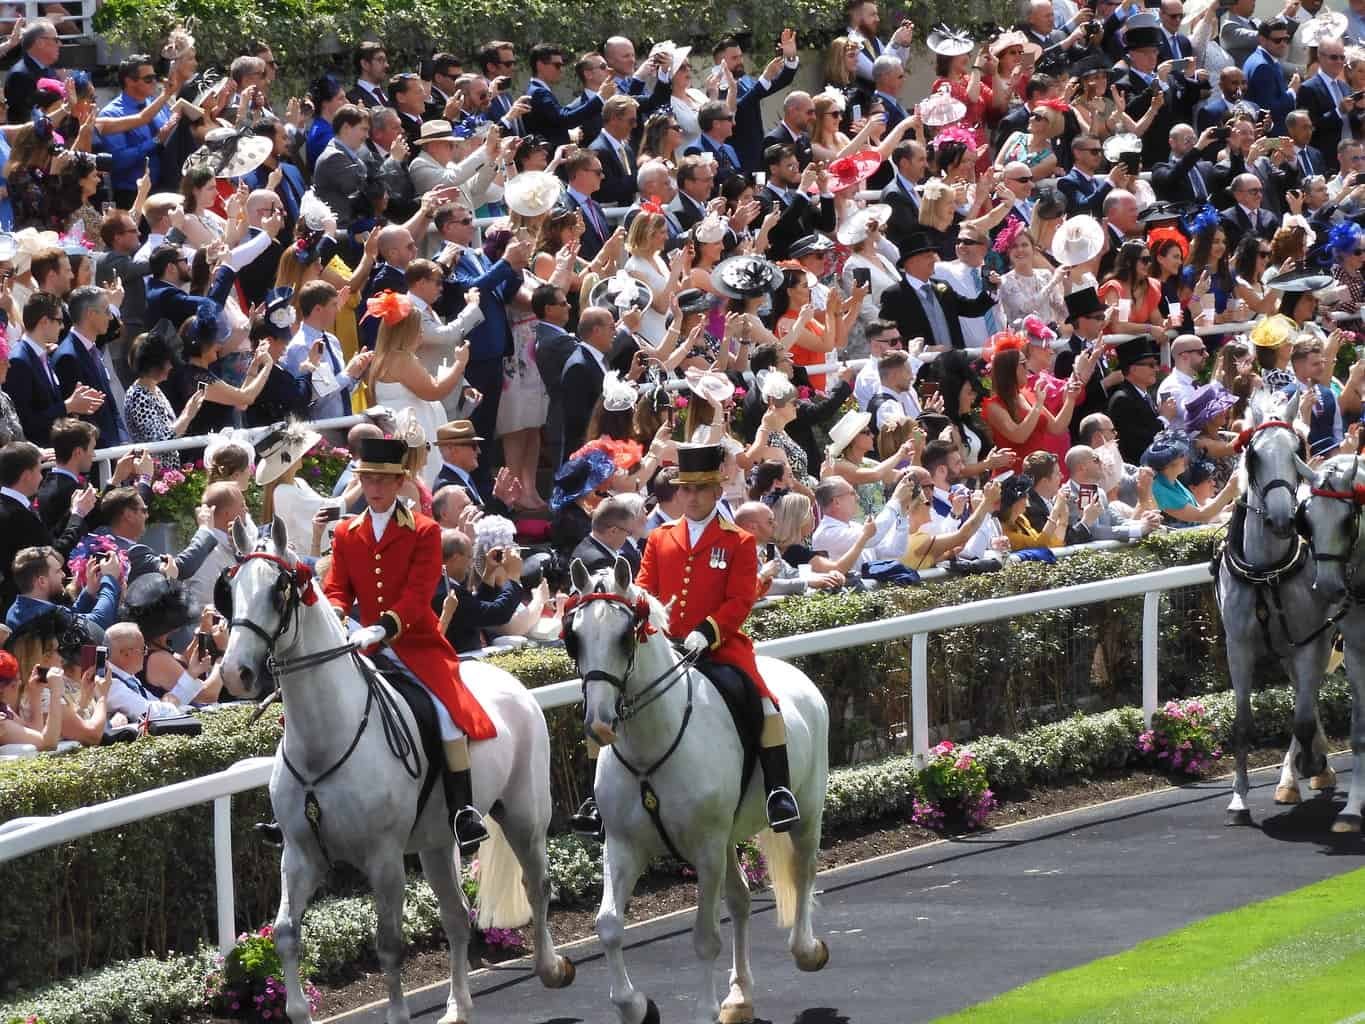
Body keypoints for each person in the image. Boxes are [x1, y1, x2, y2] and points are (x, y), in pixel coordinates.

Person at [572, 443, 800, 839]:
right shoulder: (660, 539)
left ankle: (777, 790)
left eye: (700, 490)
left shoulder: (739, 541)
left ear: (716, 491)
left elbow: (740, 600)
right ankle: (596, 800)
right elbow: (642, 591)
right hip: (665, 646)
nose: (691, 497)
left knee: (762, 703)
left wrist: (707, 631)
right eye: (685, 490)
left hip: (721, 648)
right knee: (605, 700)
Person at [323, 436, 492, 855]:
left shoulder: (425, 530)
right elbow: (335, 588)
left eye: (383, 481)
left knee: (447, 716)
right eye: (368, 480)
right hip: (360, 642)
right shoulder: (346, 532)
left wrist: (384, 627)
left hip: (415, 643)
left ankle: (462, 810)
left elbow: (419, 595)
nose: (375, 489)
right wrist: (339, 617)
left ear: (399, 483)